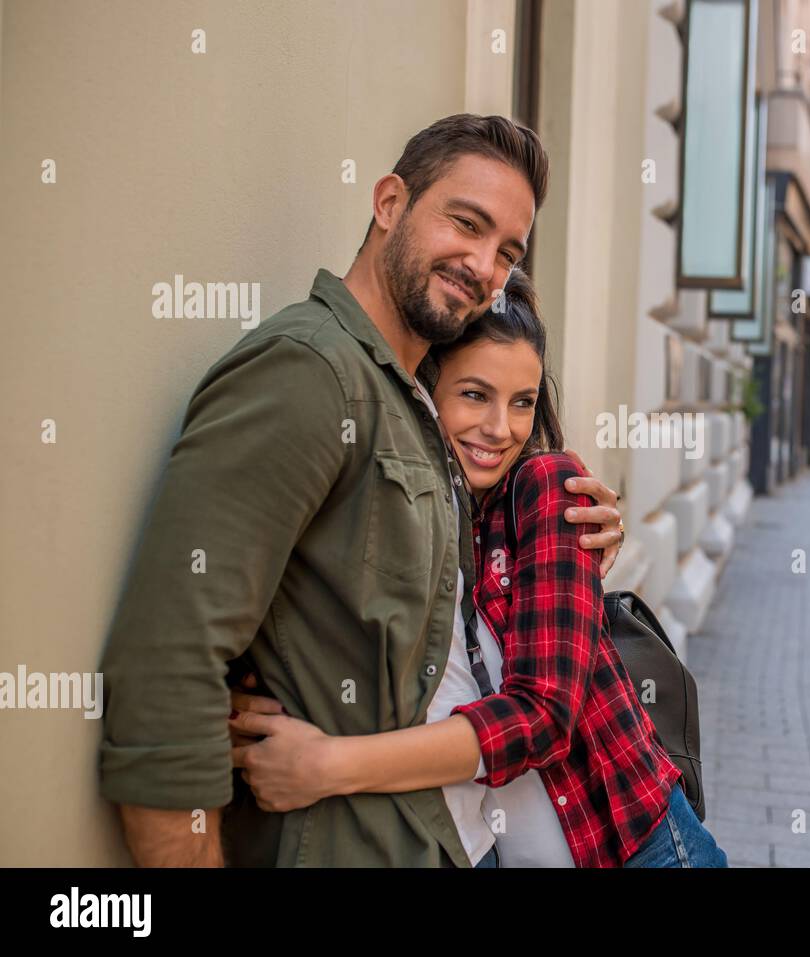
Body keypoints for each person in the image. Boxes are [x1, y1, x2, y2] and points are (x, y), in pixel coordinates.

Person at [98, 114, 626, 867]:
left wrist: (582, 530)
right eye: (465, 224)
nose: (483, 265)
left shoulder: (410, 399)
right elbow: (166, 664)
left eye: (506, 252)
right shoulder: (310, 374)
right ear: (388, 204)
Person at [227, 269, 728, 868]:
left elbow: (542, 718)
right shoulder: (429, 516)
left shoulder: (546, 490)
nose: (501, 428)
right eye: (474, 394)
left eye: (523, 402)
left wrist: (325, 765)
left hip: (642, 851)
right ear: (426, 387)